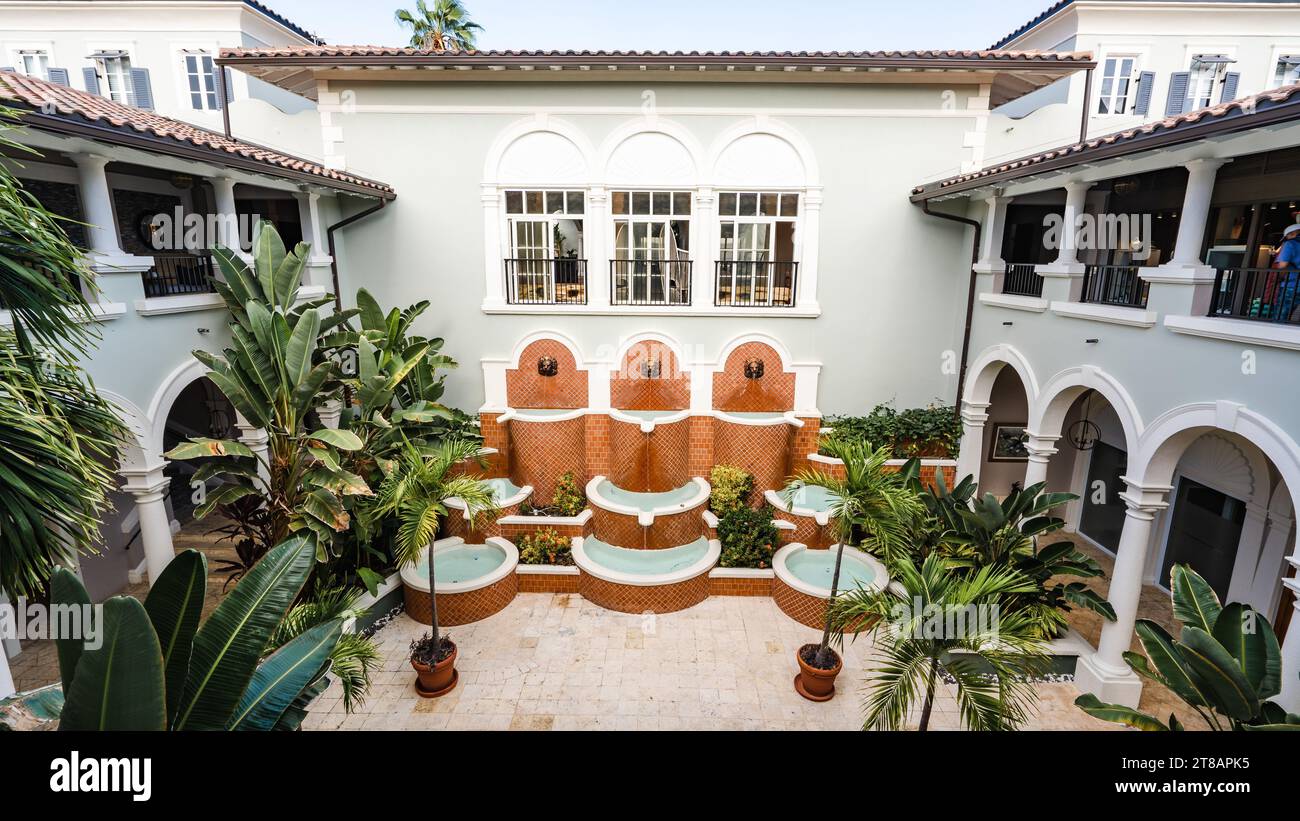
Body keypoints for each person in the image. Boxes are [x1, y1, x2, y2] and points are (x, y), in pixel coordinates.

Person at [1272, 223, 1300, 321]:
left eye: (1287, 236)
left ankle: (1276, 335)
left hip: (1292, 285)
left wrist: (1279, 278)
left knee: (1280, 315)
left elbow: (1282, 265)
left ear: (1293, 234)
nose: (1287, 239)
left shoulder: (1290, 243)